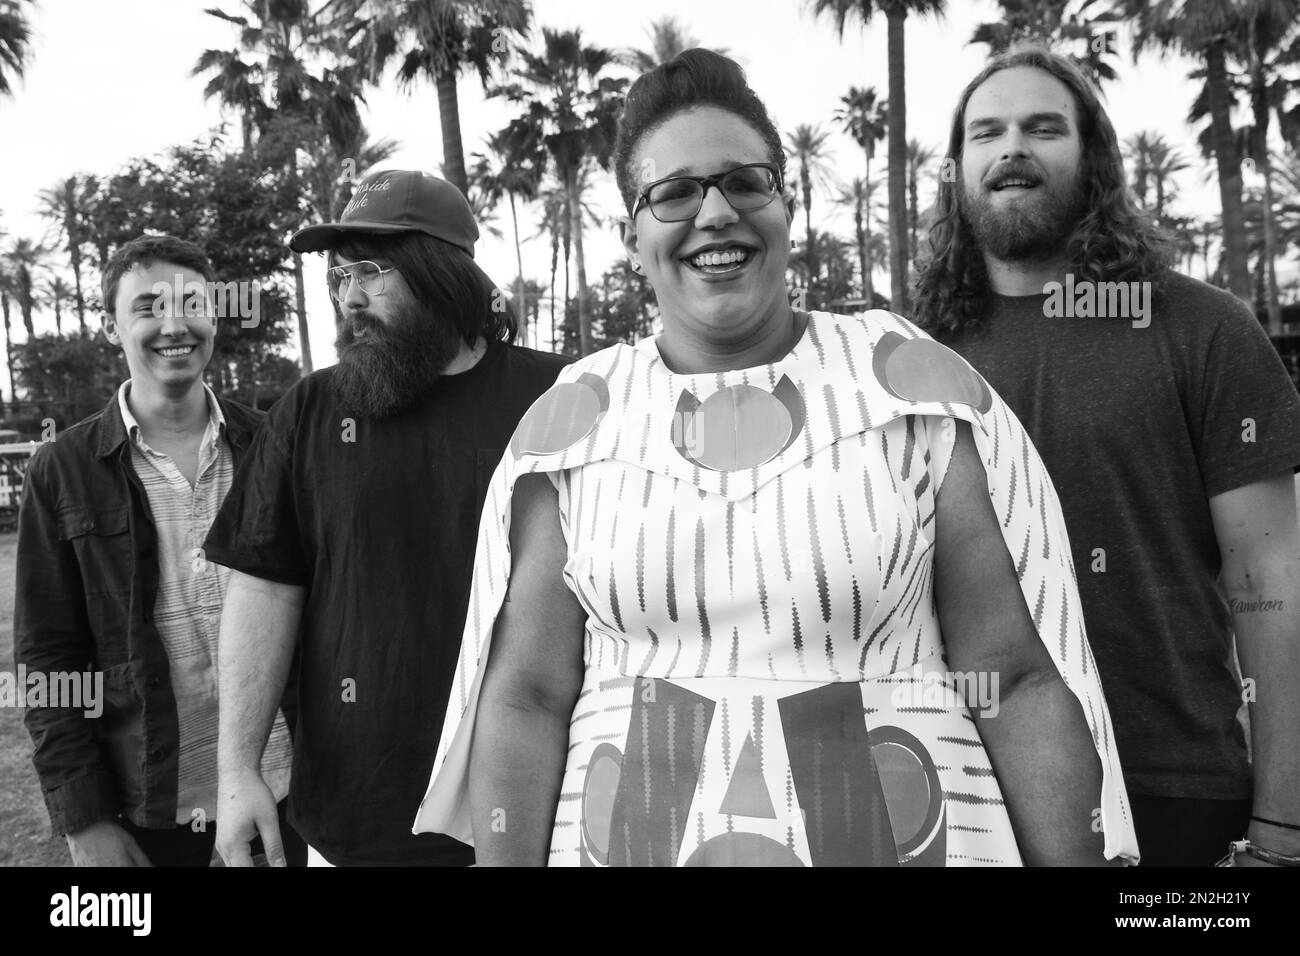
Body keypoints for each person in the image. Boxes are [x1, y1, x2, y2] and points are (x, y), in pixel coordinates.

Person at [414, 49, 1136, 867]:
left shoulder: (906, 385)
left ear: (785, 205)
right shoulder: (578, 422)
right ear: (632, 233)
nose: (715, 212)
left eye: (744, 182)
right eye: (675, 192)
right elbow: (528, 697)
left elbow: (1014, 679)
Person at [914, 47, 1300, 868]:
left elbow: (1272, 586)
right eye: (987, 132)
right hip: (957, 786)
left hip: (1174, 790)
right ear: (956, 172)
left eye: (1043, 127)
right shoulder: (907, 357)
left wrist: (1284, 825)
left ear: (1093, 158)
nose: (1012, 147)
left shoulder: (1203, 330)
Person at [204, 170, 569, 867]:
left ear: (443, 273)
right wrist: (237, 770)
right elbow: (263, 589)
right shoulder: (309, 411)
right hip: (352, 827)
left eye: (371, 272)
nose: (350, 297)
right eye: (340, 277)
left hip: (530, 822)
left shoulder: (558, 397)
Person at [14, 234, 301, 866]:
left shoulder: (276, 446)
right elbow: (49, 659)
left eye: (192, 302)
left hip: (285, 795)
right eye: (147, 307)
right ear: (112, 328)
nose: (174, 324)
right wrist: (82, 818)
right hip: (148, 812)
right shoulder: (62, 469)